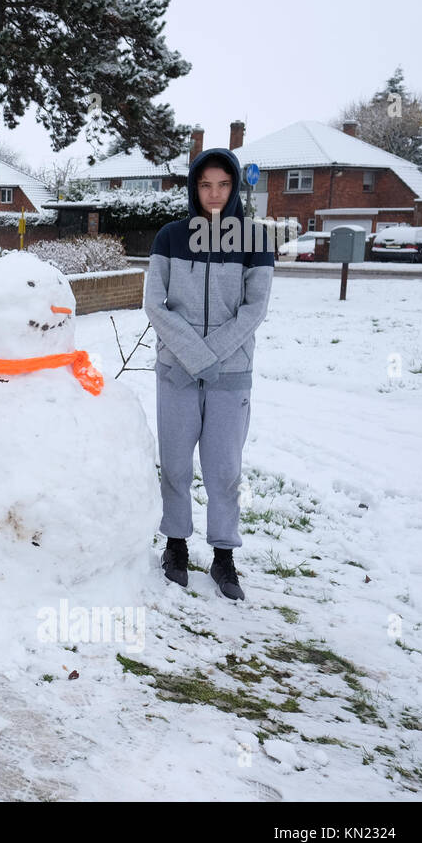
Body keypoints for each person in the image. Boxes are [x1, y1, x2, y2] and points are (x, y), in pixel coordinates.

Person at [143, 147, 273, 601]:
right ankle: (176, 545)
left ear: (234, 187)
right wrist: (192, 354)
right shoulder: (170, 237)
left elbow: (253, 311)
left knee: (224, 470)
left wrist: (208, 354)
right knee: (175, 464)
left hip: (229, 375)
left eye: (223, 184)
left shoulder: (255, 240)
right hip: (175, 373)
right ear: (193, 188)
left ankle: (223, 556)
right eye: (205, 184)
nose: (214, 194)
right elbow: (153, 305)